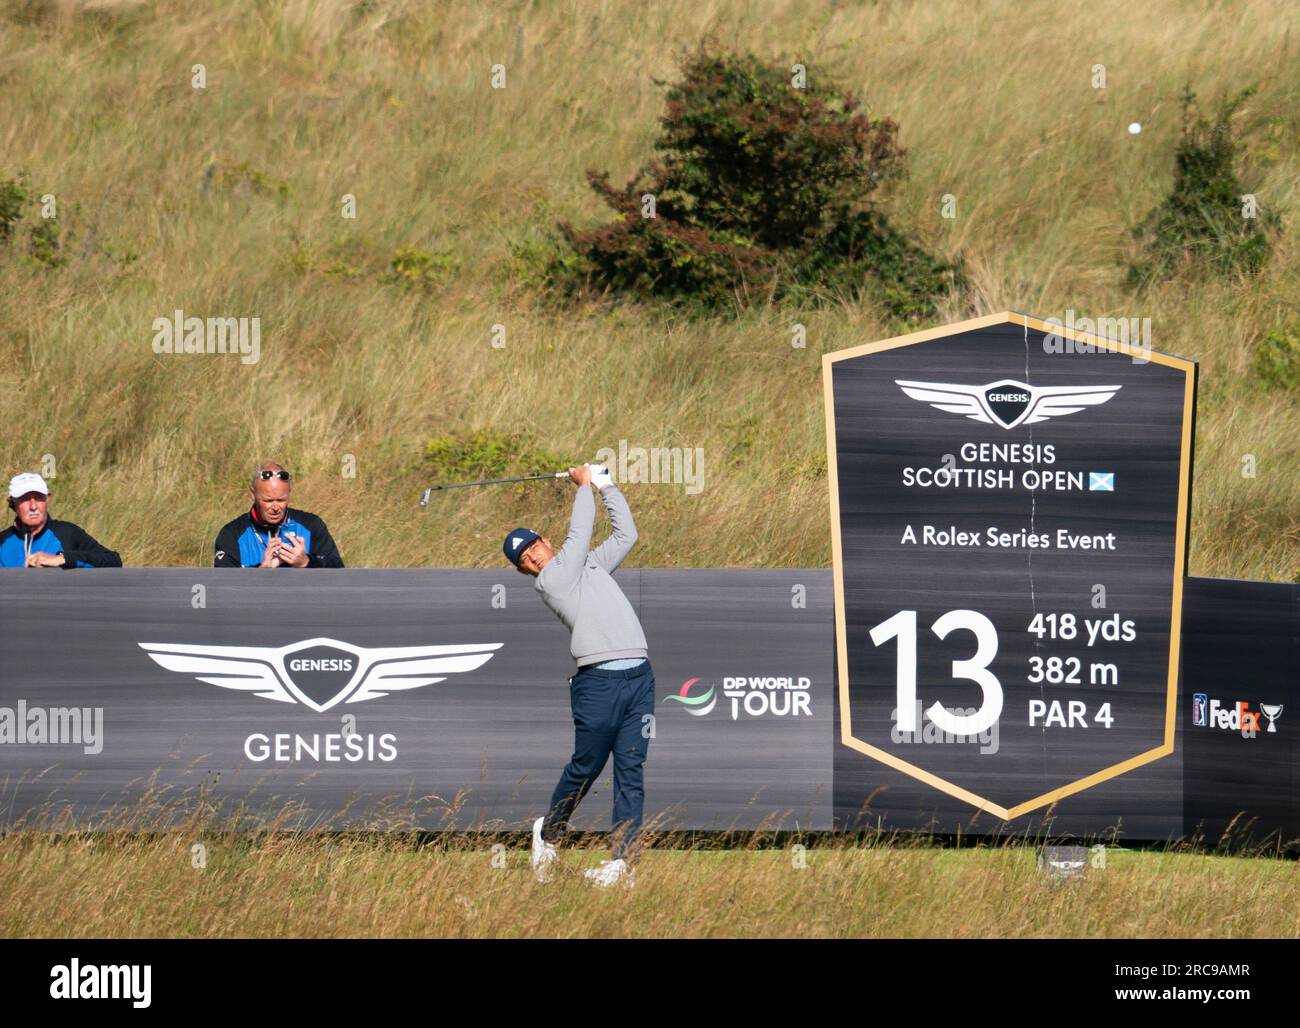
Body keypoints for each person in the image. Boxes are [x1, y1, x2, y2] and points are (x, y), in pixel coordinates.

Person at [503, 462, 653, 888]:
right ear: (524, 570)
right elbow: (580, 533)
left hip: (640, 676)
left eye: (533, 546)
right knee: (586, 766)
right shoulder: (552, 580)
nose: (532, 556)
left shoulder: (588, 566)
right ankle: (548, 833)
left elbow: (627, 535)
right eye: (524, 558)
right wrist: (583, 485)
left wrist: (605, 484)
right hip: (599, 683)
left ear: (544, 541)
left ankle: (622, 864)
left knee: (631, 770)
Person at [214, 462, 344, 568]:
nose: (276, 507)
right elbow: (224, 589)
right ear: (253, 494)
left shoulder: (312, 525)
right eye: (268, 501)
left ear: (289, 493)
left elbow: (339, 572)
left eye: (281, 500)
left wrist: (307, 562)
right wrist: (261, 571)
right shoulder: (231, 534)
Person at [0, 472, 122, 568]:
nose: (33, 506)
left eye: (39, 498)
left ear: (47, 499)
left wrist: (63, 559)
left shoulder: (67, 533)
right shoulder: (3, 541)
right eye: (25, 499)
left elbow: (113, 560)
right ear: (11, 503)